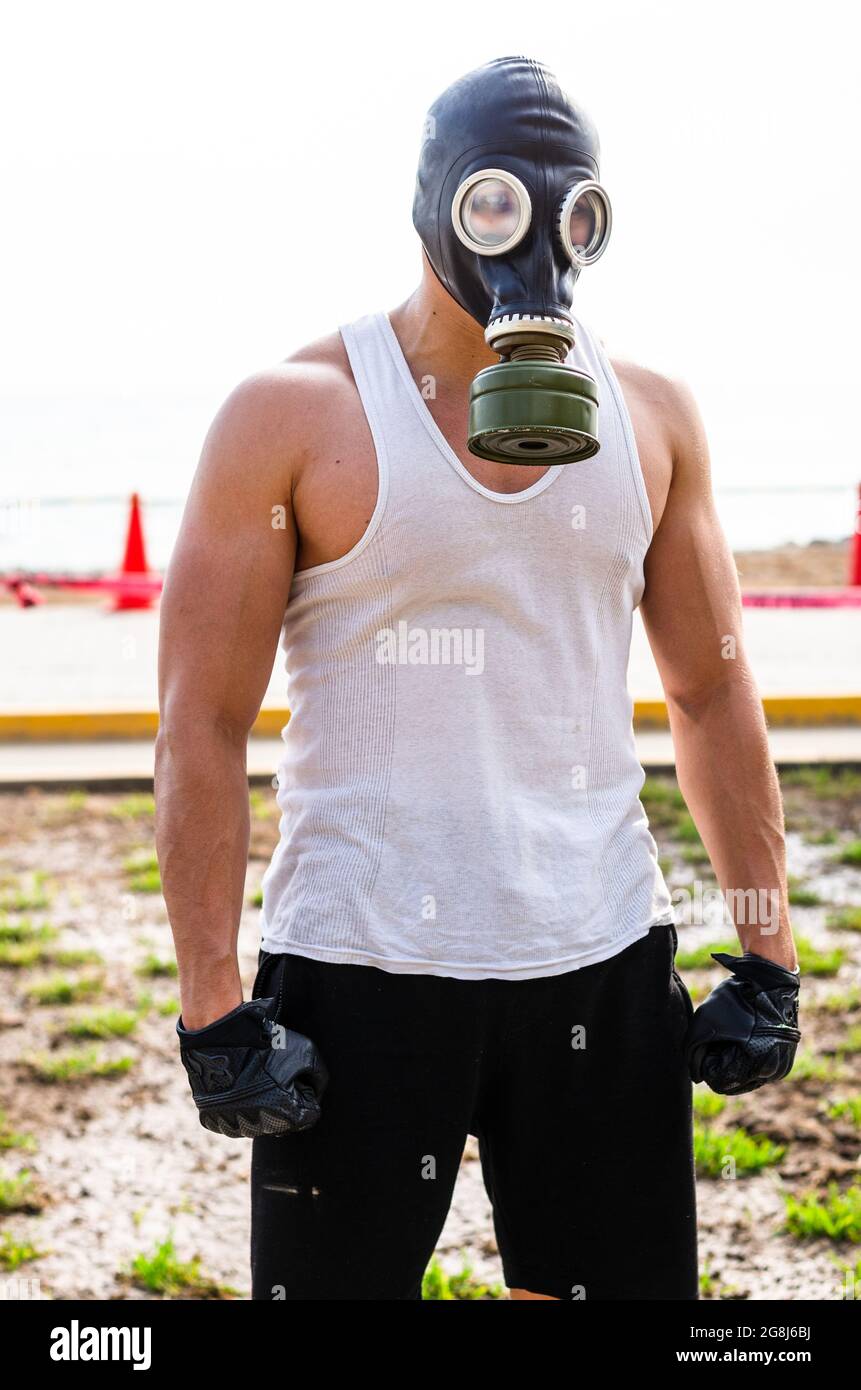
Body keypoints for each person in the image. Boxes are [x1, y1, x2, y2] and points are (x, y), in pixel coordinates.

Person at [155, 55, 800, 1301]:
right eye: (500, 204)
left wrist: (768, 955)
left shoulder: (653, 417)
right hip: (360, 967)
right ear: (441, 203)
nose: (533, 245)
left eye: (572, 214)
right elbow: (202, 721)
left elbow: (713, 691)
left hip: (600, 953)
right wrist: (214, 1009)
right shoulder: (292, 412)